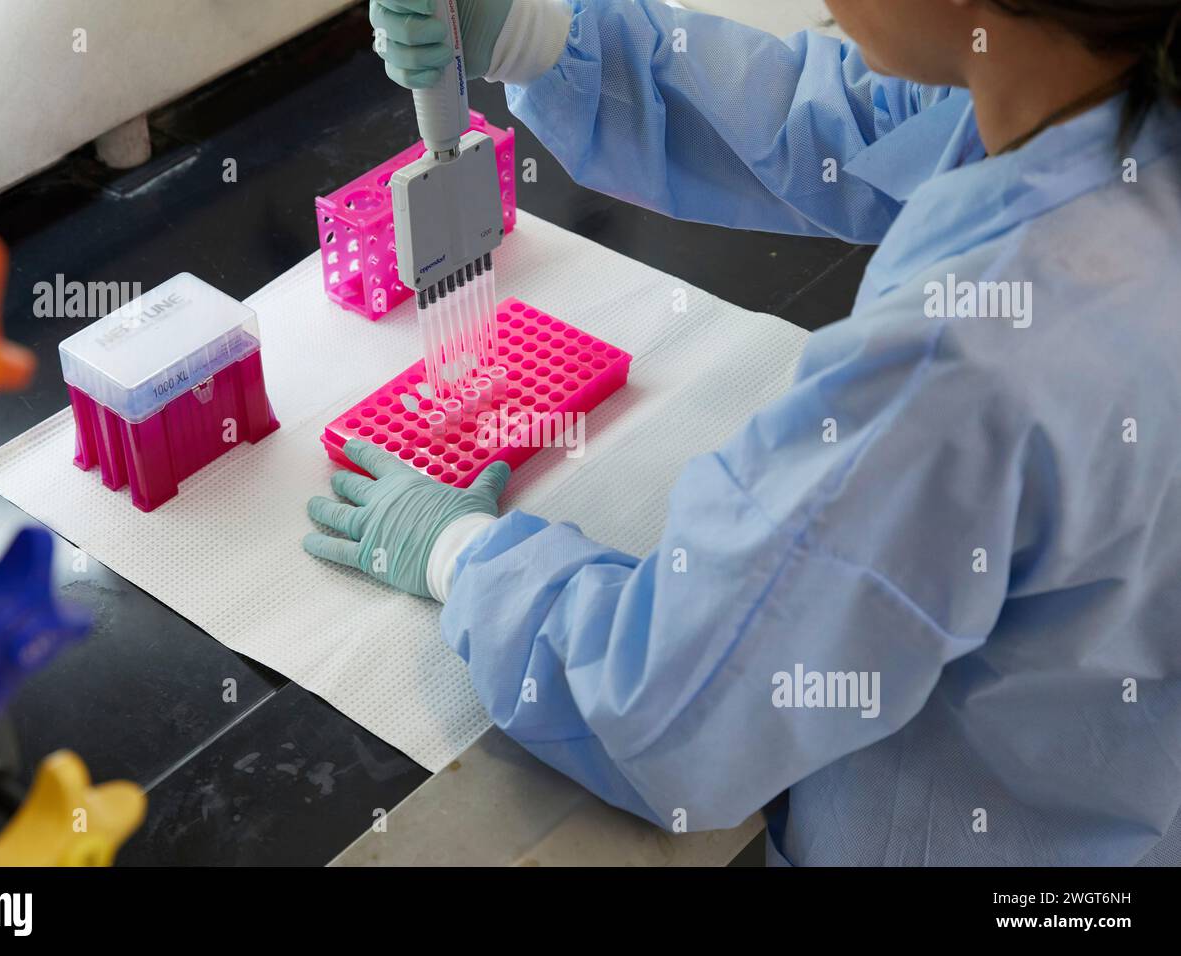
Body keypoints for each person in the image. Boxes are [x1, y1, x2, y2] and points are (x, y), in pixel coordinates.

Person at [304, 0, 1181, 865]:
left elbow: (675, 709)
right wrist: (546, 40)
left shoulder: (956, 363)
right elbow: (867, 130)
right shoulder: (1112, 104)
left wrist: (462, 556)